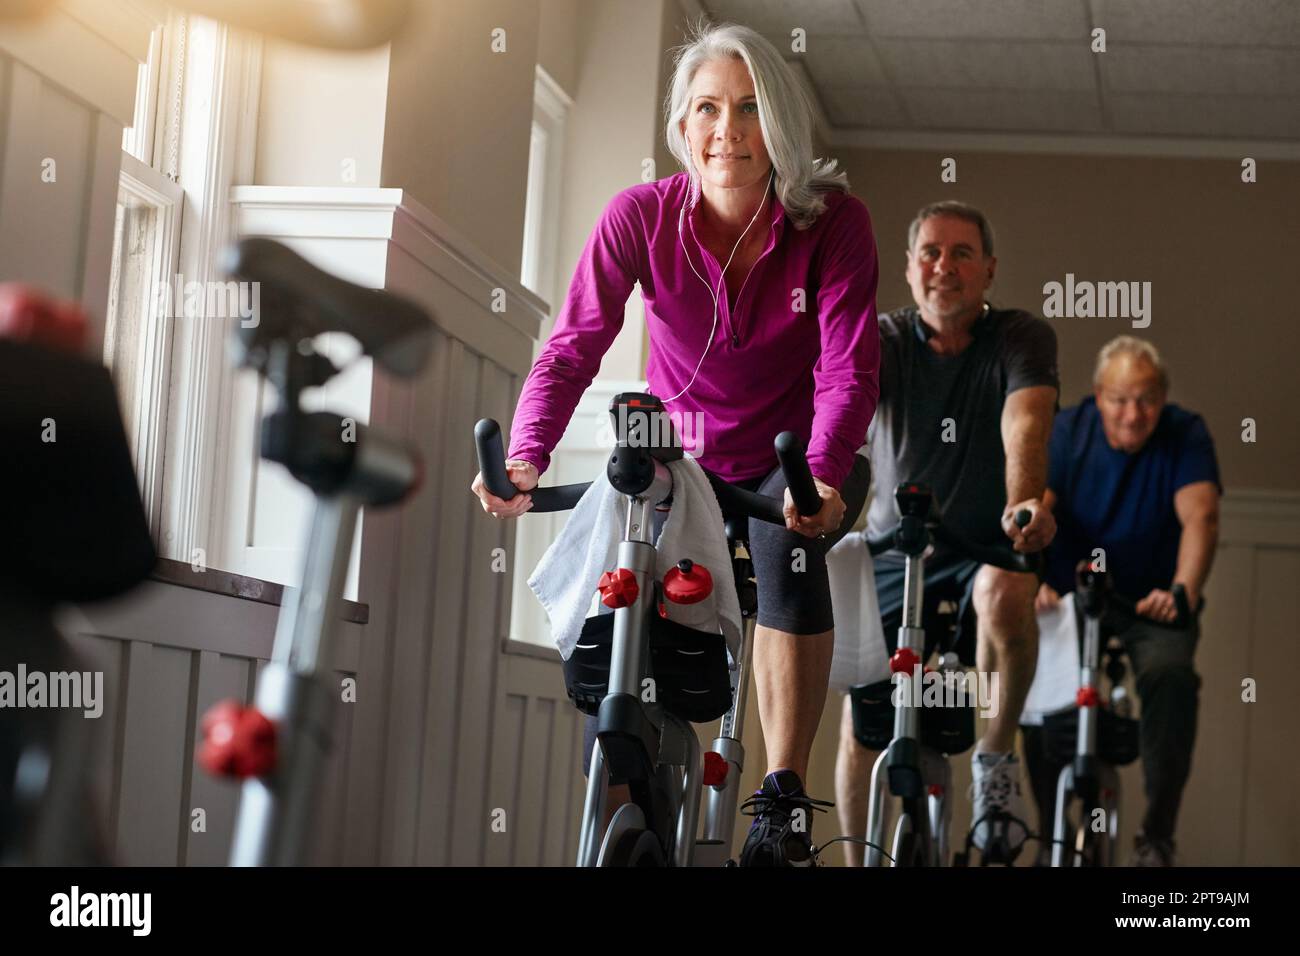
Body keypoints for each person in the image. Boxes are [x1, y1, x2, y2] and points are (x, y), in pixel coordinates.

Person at [469, 22, 880, 866]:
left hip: (791, 455)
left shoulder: (834, 224)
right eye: (706, 109)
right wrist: (526, 456)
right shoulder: (640, 217)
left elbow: (847, 369)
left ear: (779, 126)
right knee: (625, 511)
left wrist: (824, 481)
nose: (725, 128)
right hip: (681, 448)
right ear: (683, 130)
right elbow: (572, 346)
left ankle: (781, 798)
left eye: (746, 108)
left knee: (787, 545)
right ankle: (623, 780)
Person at [833, 201, 1059, 865]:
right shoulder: (881, 340)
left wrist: (1023, 506)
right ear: (909, 268)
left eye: (963, 253)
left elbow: (1026, 424)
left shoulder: (1021, 337)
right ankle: (858, 859)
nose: (945, 267)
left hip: (983, 551)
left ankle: (994, 758)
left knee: (1006, 596)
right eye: (931, 252)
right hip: (892, 550)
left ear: (989, 268)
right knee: (865, 724)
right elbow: (844, 427)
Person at [1030, 335, 1220, 867]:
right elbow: (1037, 512)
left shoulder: (1185, 433)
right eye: (1120, 399)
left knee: (1171, 676)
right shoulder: (1068, 430)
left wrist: (1182, 591)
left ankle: (1156, 837)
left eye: (1146, 400)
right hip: (1071, 594)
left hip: (1150, 601)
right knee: (1038, 685)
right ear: (1097, 395)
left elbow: (1200, 517)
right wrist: (1034, 577)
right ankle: (1050, 837)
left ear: (1163, 397)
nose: (1134, 415)